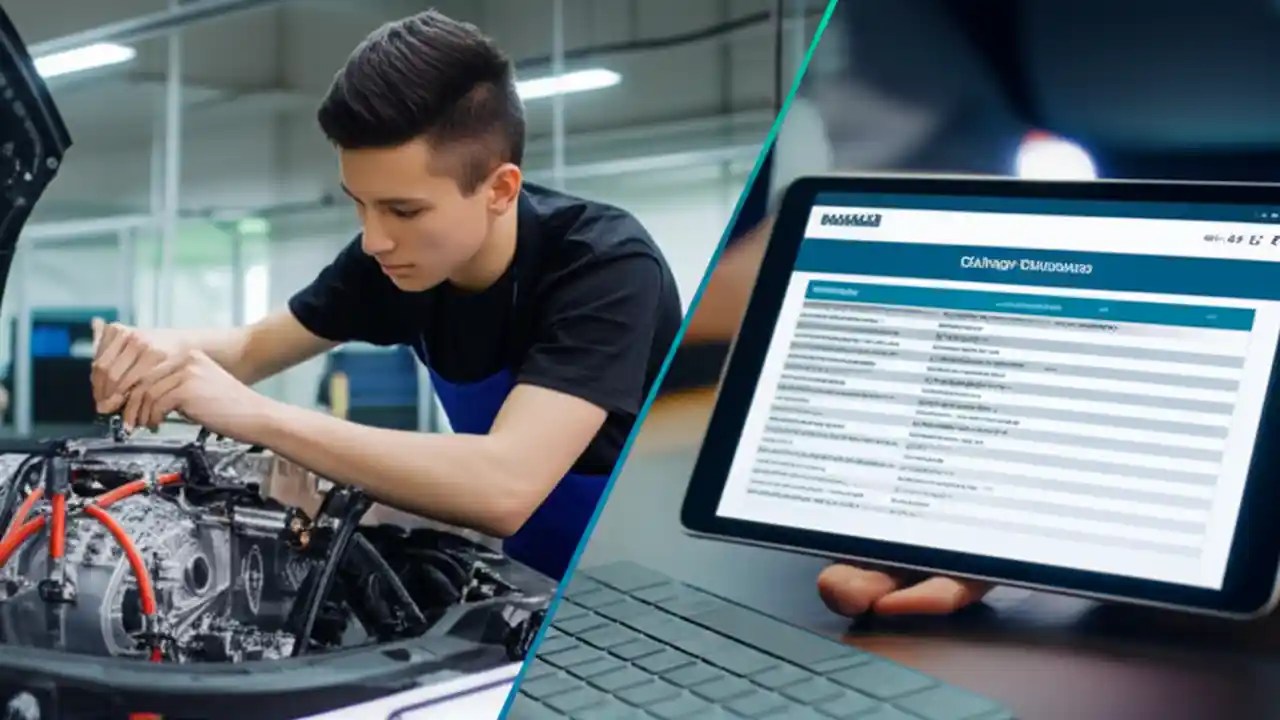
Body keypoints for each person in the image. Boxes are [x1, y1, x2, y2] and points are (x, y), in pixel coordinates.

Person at [86, 9, 682, 582]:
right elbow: (250, 347)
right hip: (527, 571)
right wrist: (153, 352)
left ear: (500, 190)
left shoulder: (604, 266)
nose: (374, 239)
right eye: (360, 203)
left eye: (404, 210)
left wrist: (256, 416)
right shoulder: (395, 262)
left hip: (650, 579)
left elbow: (505, 486)